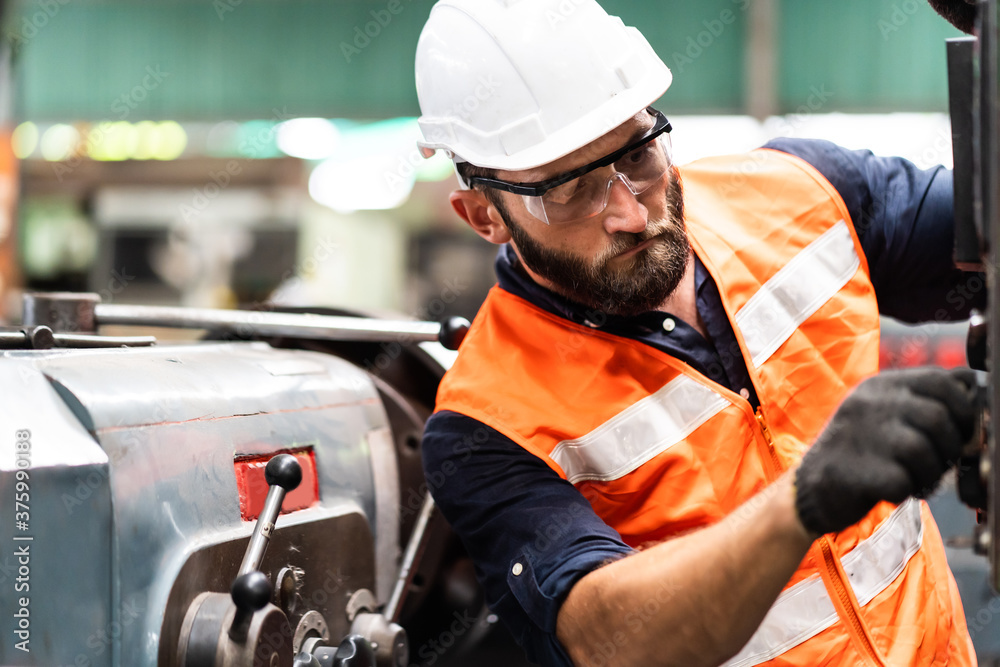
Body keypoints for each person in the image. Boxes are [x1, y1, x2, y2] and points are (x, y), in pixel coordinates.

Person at [414, 1, 983, 665]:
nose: (629, 210)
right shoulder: (486, 425)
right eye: (570, 192)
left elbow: (988, 226)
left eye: (639, 153)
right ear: (484, 213)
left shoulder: (802, 194)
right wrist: (800, 502)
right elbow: (604, 639)